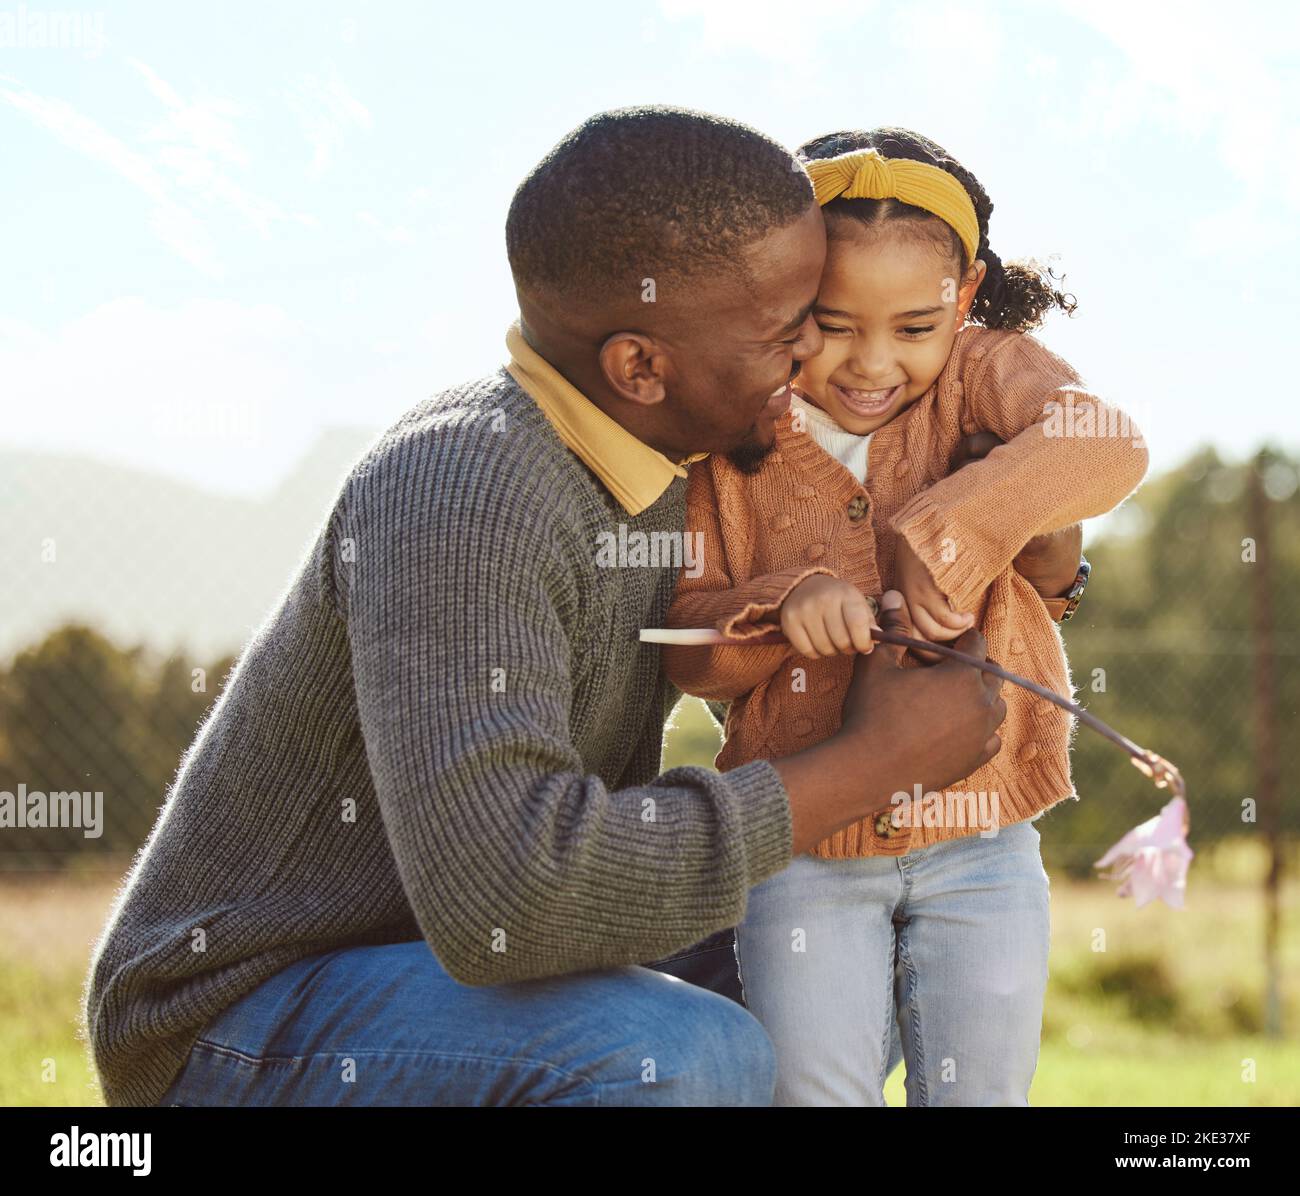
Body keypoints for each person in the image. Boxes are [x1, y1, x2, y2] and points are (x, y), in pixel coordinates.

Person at [81, 107, 1010, 1108]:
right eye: (791, 333)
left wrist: (1029, 537)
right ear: (642, 366)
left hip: (458, 973)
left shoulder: (667, 460)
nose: (814, 363)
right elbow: (510, 898)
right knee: (678, 1051)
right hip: (240, 1014)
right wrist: (868, 764)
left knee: (825, 965)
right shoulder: (466, 487)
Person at [663, 126, 1148, 1106]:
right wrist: (777, 606)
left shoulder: (984, 371)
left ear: (964, 298)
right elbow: (687, 650)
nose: (872, 363)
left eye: (914, 327)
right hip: (804, 845)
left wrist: (954, 524)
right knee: (811, 1086)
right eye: (830, 325)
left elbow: (1106, 444)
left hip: (985, 832)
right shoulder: (731, 440)